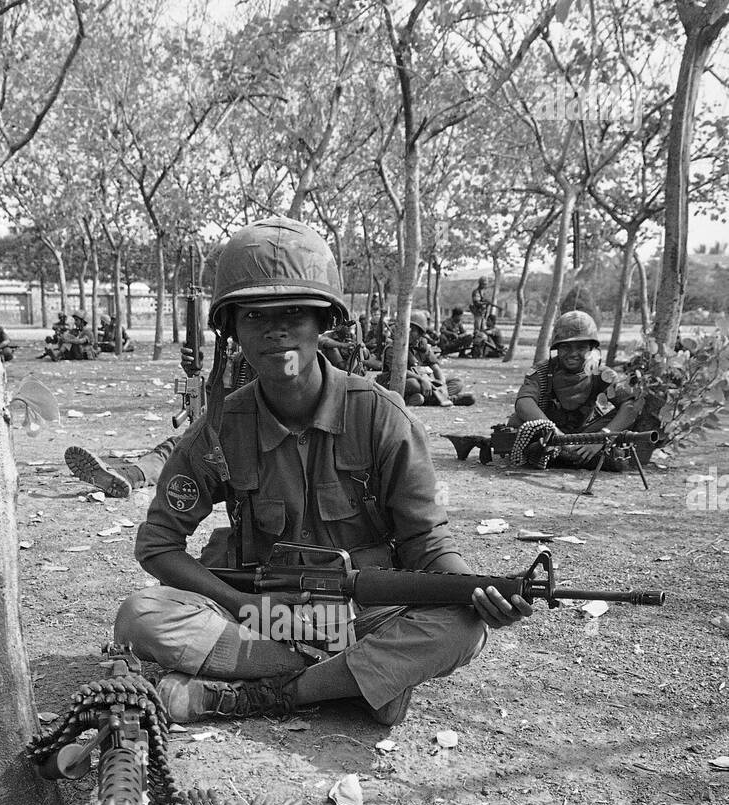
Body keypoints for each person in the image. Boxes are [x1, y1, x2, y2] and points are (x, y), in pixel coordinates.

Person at [112, 215, 531, 728]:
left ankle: (264, 696)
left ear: (323, 322)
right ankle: (356, 683)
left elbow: (427, 542)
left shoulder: (381, 417)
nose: (276, 329)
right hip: (266, 618)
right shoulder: (218, 430)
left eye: (296, 312)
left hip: (363, 617)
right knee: (140, 616)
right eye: (254, 316)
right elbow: (157, 545)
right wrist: (238, 601)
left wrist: (476, 589)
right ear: (233, 331)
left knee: (464, 627)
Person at [64, 339, 254, 499]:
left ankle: (128, 475)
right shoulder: (234, 360)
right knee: (177, 447)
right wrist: (193, 374)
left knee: (178, 449)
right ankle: (125, 476)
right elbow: (215, 406)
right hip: (230, 440)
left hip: (253, 449)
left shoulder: (267, 361)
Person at [505, 311, 646, 470]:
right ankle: (564, 456)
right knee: (518, 421)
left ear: (591, 348)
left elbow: (630, 405)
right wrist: (556, 434)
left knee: (626, 417)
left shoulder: (600, 373)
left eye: (581, 347)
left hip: (587, 437)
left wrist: (603, 438)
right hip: (549, 435)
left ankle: (565, 457)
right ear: (557, 348)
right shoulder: (542, 371)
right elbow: (524, 403)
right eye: (566, 347)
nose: (573, 354)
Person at [377, 310, 474, 407]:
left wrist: (442, 385)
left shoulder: (422, 347)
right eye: (410, 329)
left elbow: (435, 368)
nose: (411, 333)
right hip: (395, 382)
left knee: (457, 382)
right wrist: (422, 380)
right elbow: (400, 372)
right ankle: (445, 399)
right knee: (414, 384)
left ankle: (432, 397)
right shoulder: (393, 348)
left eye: (416, 331)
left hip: (426, 382)